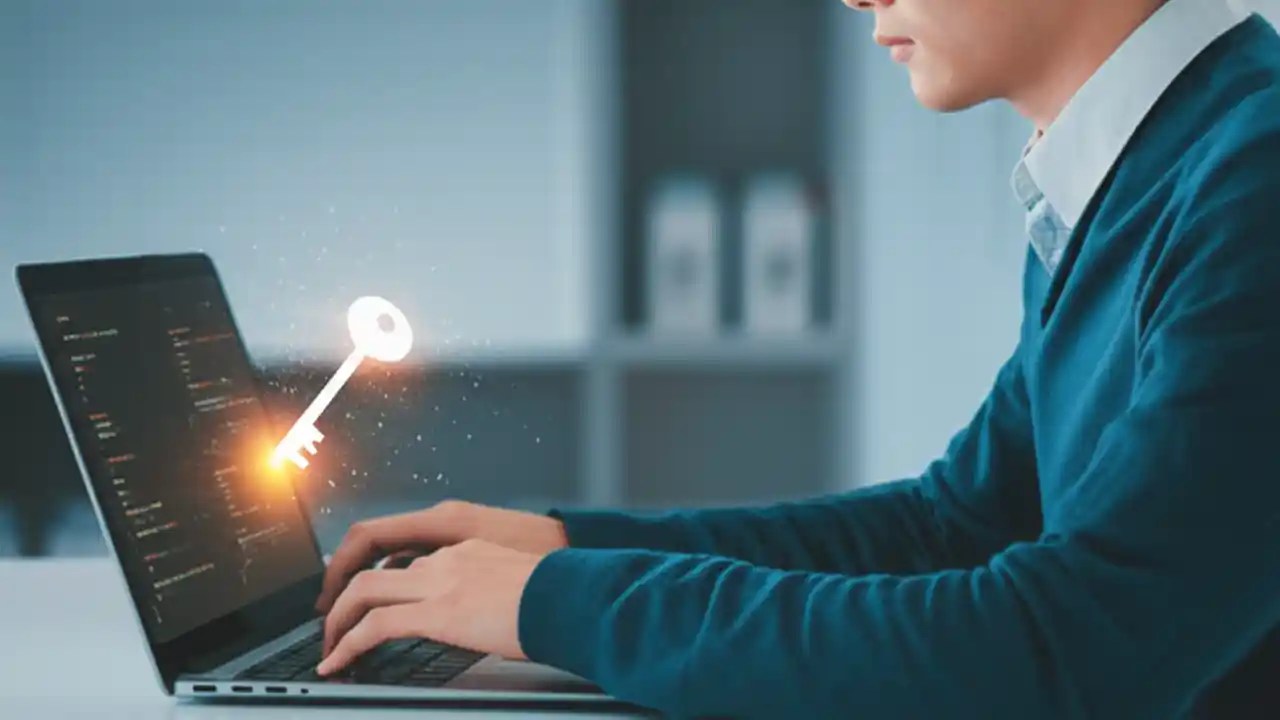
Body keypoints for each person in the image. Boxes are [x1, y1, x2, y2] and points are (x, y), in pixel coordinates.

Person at [313, 0, 1280, 716]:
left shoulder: (1254, 178)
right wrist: (566, 548)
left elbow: (1066, 652)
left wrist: (559, 602)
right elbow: (955, 527)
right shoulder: (1150, 169)